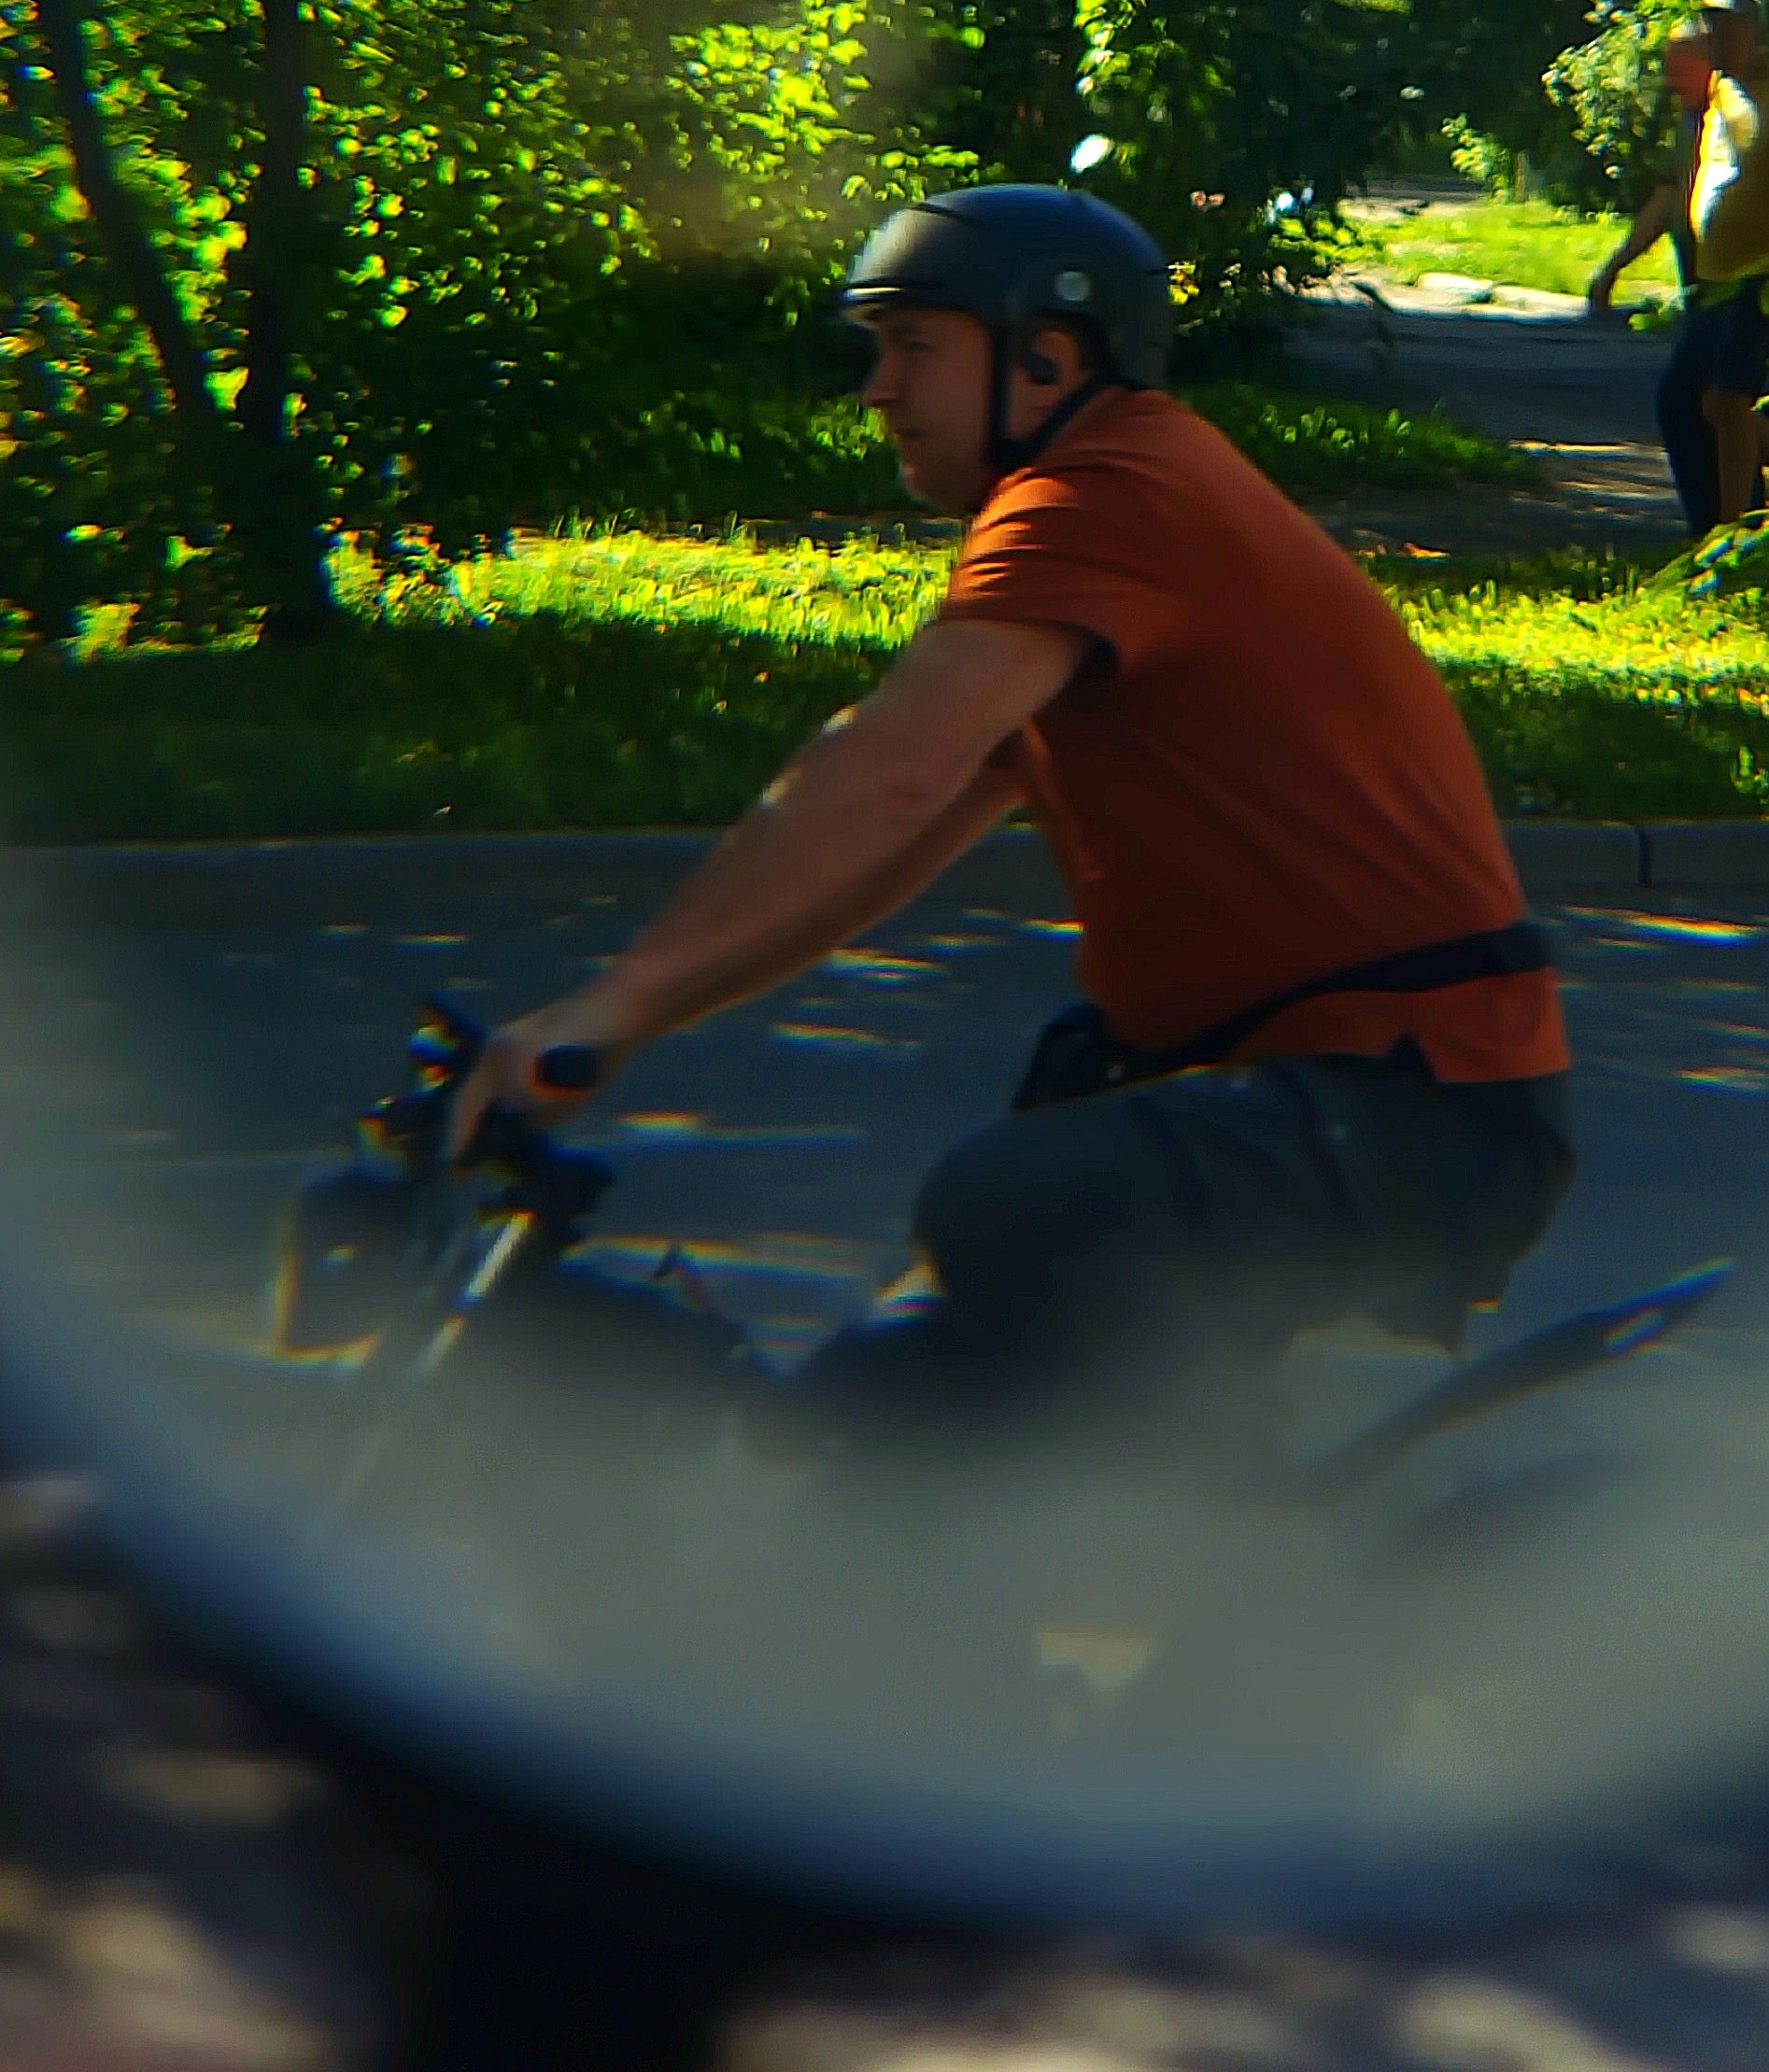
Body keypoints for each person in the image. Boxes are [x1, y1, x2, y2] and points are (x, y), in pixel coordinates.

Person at [449, 184, 1573, 1456]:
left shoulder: (1107, 498)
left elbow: (888, 771)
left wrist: (612, 1002)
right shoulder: (1097, 526)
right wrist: (628, 1024)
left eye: (913, 345)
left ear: (1049, 357)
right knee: (856, 1427)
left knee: (1011, 1200)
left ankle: (1253, 1586)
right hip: (1308, 1103)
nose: (877, 386)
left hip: (1406, 1112)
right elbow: (886, 842)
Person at [1658, 0, 1769, 534]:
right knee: (1689, 400)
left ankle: (1733, 529)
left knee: (1728, 400)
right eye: (1711, 28)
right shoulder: (1719, 91)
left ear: (1755, 32)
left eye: (1728, 28)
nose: (1718, 38)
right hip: (1714, 279)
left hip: (1762, 273)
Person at [1583, 14, 1716, 320]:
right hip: (1700, 288)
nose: (1672, 82)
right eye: (1670, 71)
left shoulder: (1742, 122)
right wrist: (1613, 269)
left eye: (1682, 71)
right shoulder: (1689, 122)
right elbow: (1667, 199)